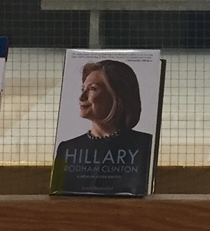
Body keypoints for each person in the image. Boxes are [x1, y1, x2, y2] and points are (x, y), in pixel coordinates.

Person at [51, 59, 153, 195]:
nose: (82, 97)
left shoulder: (145, 145)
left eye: (92, 89)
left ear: (117, 95)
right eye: (83, 89)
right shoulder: (67, 149)